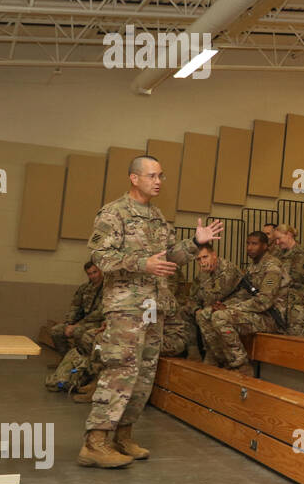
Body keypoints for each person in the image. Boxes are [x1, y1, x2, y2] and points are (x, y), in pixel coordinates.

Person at [80, 155, 223, 468]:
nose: (158, 181)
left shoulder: (157, 216)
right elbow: (100, 256)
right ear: (134, 178)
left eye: (161, 176)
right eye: (152, 175)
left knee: (144, 374)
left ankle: (123, 435)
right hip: (126, 305)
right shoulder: (113, 212)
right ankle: (95, 441)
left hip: (154, 305)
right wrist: (141, 263)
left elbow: (169, 256)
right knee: (120, 369)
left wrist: (195, 243)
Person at [197, 231, 290, 370]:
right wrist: (224, 304)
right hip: (255, 313)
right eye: (248, 243)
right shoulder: (253, 267)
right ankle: (219, 358)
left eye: (254, 244)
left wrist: (230, 309)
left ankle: (241, 365)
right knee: (203, 314)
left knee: (220, 317)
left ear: (265, 246)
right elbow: (243, 294)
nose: (249, 247)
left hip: (270, 317)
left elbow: (264, 301)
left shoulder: (272, 266)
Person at [49, 261, 103, 356]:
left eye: (95, 272)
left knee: (79, 332)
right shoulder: (84, 288)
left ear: (100, 271)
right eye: (90, 274)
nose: (93, 276)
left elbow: (99, 313)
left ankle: (83, 360)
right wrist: (69, 323)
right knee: (56, 331)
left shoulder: (107, 288)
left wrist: (77, 325)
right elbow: (75, 306)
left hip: (97, 323)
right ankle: (68, 359)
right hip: (80, 322)